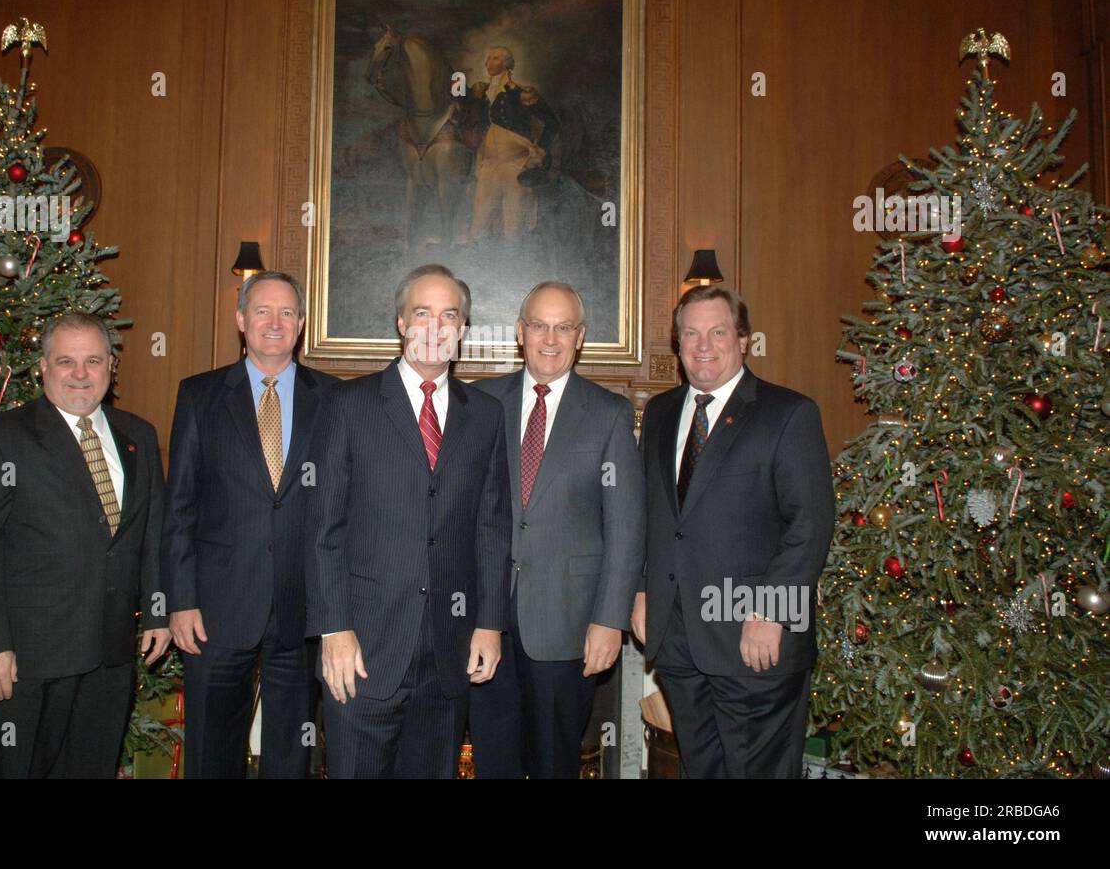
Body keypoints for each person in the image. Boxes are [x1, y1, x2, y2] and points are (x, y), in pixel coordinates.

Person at [307, 263, 511, 778]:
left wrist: (489, 624)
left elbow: (491, 527)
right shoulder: (347, 405)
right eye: (422, 313)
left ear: (462, 330)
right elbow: (322, 529)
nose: (434, 328)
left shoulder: (485, 415)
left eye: (448, 316)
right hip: (363, 649)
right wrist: (334, 628)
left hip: (449, 652)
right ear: (401, 323)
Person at [0, 311, 170, 778]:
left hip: (109, 656)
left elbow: (152, 533)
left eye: (93, 361)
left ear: (112, 367)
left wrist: (158, 613)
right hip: (26, 661)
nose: (80, 374)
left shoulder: (139, 435)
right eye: (66, 361)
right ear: (43, 367)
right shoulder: (0, 439)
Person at [632, 286, 834, 778]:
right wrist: (641, 590)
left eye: (718, 332)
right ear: (677, 344)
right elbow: (651, 515)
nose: (703, 346)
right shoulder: (659, 413)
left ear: (743, 340)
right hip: (678, 642)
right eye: (690, 334)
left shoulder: (788, 413)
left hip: (755, 641)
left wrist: (773, 612)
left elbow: (810, 524)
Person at [162, 270, 339, 778]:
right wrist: (180, 599)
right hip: (215, 609)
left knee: (292, 750)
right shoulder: (199, 395)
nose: (275, 322)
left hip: (301, 609)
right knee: (210, 749)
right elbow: (180, 508)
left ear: (301, 324)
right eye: (262, 310)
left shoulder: (333, 398)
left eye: (287, 312)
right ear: (241, 320)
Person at [469, 282, 644, 778]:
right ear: (520, 333)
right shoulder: (481, 402)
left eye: (563, 327)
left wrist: (611, 620)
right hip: (486, 619)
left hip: (569, 626)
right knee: (493, 761)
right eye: (540, 325)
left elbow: (627, 527)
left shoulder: (609, 413)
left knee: (554, 763)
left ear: (580, 336)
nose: (551, 338)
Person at [464, 46, 560, 241]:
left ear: (506, 63)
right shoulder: (481, 94)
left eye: (495, 58)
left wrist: (539, 151)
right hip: (489, 163)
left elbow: (552, 122)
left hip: (516, 163)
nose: (488, 63)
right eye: (488, 58)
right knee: (480, 223)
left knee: (513, 226)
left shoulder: (521, 93)